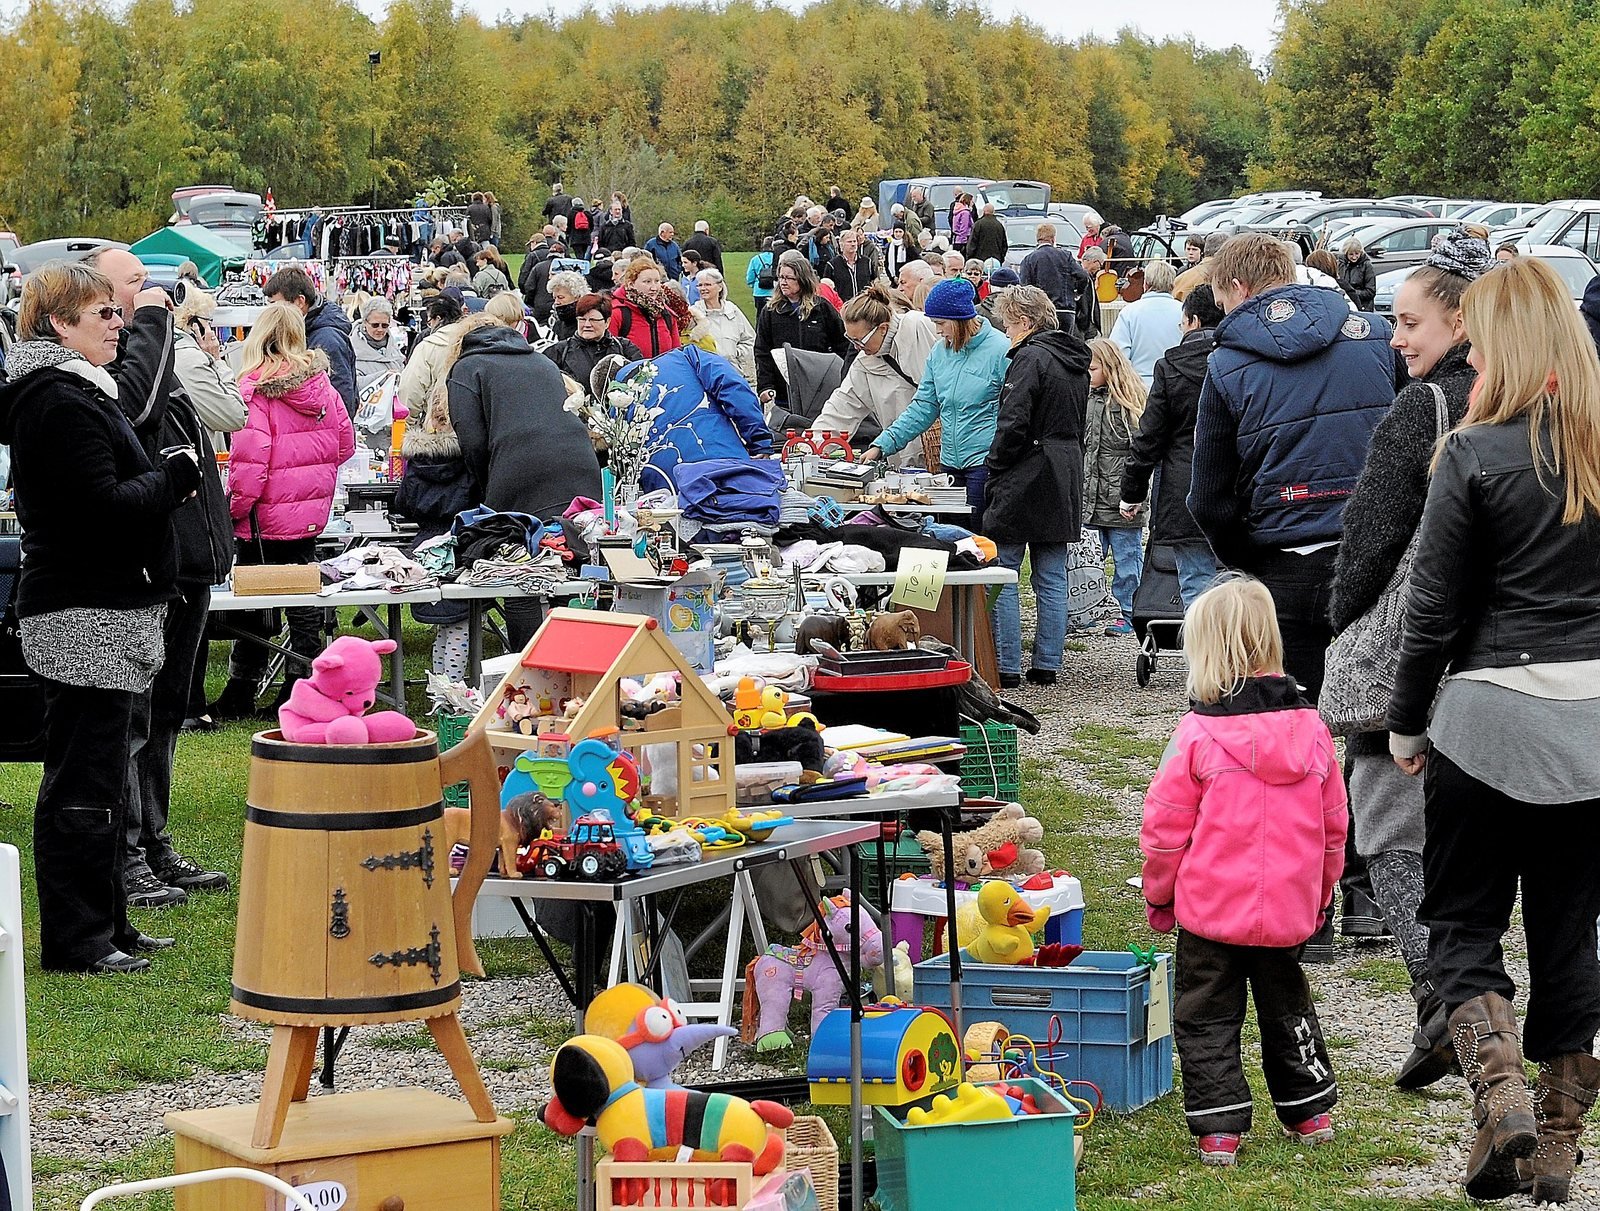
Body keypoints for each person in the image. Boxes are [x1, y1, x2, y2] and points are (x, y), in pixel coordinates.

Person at [1386, 256, 1600, 1204]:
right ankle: (1557, 1143)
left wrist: (1402, 723)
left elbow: (1429, 609)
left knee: (1463, 917)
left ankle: (1500, 1090)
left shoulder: (1473, 452)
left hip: (1484, 716)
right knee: (1570, 931)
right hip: (1594, 720)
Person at [0, 261, 201, 974]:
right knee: (83, 781)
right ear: (59, 323)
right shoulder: (55, 400)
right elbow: (102, 507)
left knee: (106, 776)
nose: (119, 322)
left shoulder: (76, 392)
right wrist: (175, 477)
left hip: (103, 609)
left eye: (117, 313)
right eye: (103, 314)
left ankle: (109, 921)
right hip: (82, 614)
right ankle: (79, 937)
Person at [1327, 230, 1491, 1093]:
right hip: (1503, 653)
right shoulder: (1523, 397)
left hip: (1414, 648)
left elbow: (1373, 533)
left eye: (1408, 320)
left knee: (1386, 821)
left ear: (1460, 318)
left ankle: (1446, 1006)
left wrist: (1345, 618)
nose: (1394, 337)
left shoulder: (1423, 407)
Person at [1141, 574, 1346, 1167]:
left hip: (1209, 912)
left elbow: (1165, 829)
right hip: (1287, 909)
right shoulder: (1312, 729)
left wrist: (1160, 896)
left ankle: (1219, 1126)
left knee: (1204, 1014)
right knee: (1289, 1007)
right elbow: (1335, 824)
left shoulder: (1199, 734)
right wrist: (1323, 891)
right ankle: (1310, 1110)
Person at [1187, 231, 1400, 703]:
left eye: (1222, 298)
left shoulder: (1226, 365)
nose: (1222, 311)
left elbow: (1208, 496)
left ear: (1239, 289)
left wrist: (1248, 556)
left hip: (1284, 559)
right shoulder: (1378, 338)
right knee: (1383, 719)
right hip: (1376, 552)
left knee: (1293, 718)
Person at [86, 248, 233, 905]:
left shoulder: (163, 356)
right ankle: (128, 856)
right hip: (144, 565)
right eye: (137, 283)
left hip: (188, 560)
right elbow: (138, 408)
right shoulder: (114, 363)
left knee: (169, 708)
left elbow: (216, 425)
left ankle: (154, 844)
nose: (156, 294)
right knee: (137, 716)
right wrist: (150, 324)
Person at [216, 303, 355, 716]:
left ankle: (242, 687)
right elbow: (344, 446)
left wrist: (233, 511)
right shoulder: (322, 387)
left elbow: (249, 466)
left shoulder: (255, 391)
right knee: (303, 605)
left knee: (253, 607)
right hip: (308, 515)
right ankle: (303, 679)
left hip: (262, 519)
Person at [986, 284, 1091, 689]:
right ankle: (1049, 661)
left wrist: (995, 463)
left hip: (1028, 466)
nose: (1007, 333)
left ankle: (1008, 663)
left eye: (1010, 325)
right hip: (1064, 466)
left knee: (1006, 570)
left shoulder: (1029, 357)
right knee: (1051, 573)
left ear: (1025, 323)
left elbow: (1014, 421)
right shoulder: (1075, 358)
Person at [863, 278, 1011, 525]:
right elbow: (923, 407)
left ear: (960, 319)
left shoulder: (1000, 350)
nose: (938, 331)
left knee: (979, 541)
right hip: (949, 465)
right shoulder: (940, 353)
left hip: (984, 465)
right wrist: (882, 445)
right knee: (950, 541)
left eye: (941, 323)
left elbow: (1012, 411)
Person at [1119, 285, 1223, 611]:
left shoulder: (1170, 367)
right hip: (1237, 488)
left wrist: (1132, 492)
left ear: (1191, 321)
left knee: (1194, 584)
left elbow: (1148, 437)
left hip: (1185, 489)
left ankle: (1204, 661)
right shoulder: (1242, 360)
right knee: (1240, 585)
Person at [810, 283, 938, 462]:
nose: (857, 347)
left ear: (883, 328)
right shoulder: (865, 360)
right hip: (902, 452)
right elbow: (843, 406)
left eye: (860, 340)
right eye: (851, 339)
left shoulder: (918, 327)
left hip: (942, 447)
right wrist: (811, 445)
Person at [1084, 338, 1148, 636]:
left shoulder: (1128, 405)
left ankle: (1128, 611)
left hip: (1121, 500)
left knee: (1127, 562)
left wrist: (1134, 494)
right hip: (1090, 499)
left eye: (1093, 367)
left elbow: (1142, 450)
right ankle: (1090, 610)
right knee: (1089, 561)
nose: (1087, 372)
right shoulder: (1084, 400)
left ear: (1109, 368)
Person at [754, 251, 851, 415]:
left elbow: (843, 344)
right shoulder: (770, 311)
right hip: (784, 389)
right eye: (781, 277)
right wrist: (765, 385)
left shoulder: (822, 308)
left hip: (820, 387)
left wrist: (842, 378)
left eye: (789, 278)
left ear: (802, 279)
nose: (783, 282)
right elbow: (762, 350)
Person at [263, 266, 357, 417]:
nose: (272, 312)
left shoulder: (327, 340)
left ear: (300, 301)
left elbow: (342, 403)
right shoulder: (303, 330)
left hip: (323, 434)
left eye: (276, 305)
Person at [543, 293, 644, 398]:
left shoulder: (626, 348)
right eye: (582, 319)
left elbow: (640, 382)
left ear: (607, 322)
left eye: (593, 320)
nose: (587, 325)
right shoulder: (558, 352)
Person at [1111, 260, 1185, 387]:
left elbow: (1118, 355)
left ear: (1145, 284)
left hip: (1139, 385)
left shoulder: (1129, 313)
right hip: (1177, 384)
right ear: (1172, 285)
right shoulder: (1184, 311)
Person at [398, 294, 466, 416]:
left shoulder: (428, 347)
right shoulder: (474, 341)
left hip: (438, 420)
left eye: (429, 321)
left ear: (438, 319)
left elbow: (410, 390)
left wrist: (408, 423)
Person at [1020, 224, 1092, 331]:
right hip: (1065, 309)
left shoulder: (1028, 260)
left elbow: (1025, 288)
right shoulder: (1066, 256)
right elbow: (1083, 276)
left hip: (1042, 312)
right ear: (1053, 239)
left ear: (1037, 239)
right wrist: (1077, 293)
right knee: (1065, 344)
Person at [610, 257, 687, 356]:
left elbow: (677, 355)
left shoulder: (666, 314)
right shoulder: (618, 313)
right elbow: (611, 356)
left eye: (657, 281)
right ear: (631, 284)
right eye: (647, 282)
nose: (654, 288)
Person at [690, 268, 757, 381]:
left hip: (733, 372)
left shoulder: (732, 310)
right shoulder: (693, 313)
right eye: (700, 285)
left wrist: (735, 353)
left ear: (719, 287)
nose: (703, 289)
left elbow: (750, 338)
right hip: (706, 374)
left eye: (707, 284)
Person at [352, 296, 406, 389]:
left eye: (385, 325)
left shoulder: (394, 347)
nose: (380, 329)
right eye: (375, 325)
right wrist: (383, 376)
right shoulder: (352, 348)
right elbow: (353, 384)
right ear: (365, 322)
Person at [1173, 231, 1230, 302]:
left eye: (1194, 249)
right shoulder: (1231, 275)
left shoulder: (1181, 279)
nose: (1190, 253)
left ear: (1203, 251)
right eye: (1188, 249)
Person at [827, 228, 877, 301]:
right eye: (849, 242)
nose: (853, 244)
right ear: (842, 244)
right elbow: (827, 288)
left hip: (864, 305)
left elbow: (874, 281)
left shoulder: (867, 262)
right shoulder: (832, 265)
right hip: (843, 306)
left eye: (854, 241)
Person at [1338, 238, 1378, 312]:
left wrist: (1352, 294)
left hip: (1363, 306)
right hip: (1345, 305)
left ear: (1361, 252)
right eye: (1351, 254)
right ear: (1346, 253)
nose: (1354, 257)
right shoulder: (1340, 264)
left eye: (1356, 254)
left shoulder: (1367, 265)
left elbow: (1371, 291)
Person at [746, 238, 779, 316]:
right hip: (774, 292)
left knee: (760, 315)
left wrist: (753, 285)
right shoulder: (777, 258)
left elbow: (750, 277)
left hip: (759, 292)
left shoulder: (755, 259)